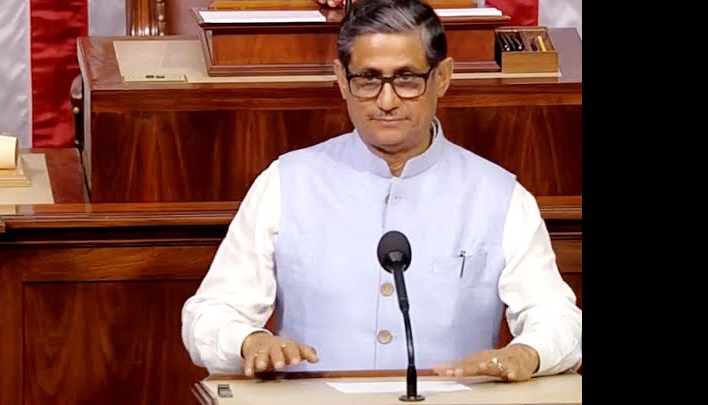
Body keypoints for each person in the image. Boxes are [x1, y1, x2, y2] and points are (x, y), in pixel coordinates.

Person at [181, 0, 581, 383]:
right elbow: (212, 312)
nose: (386, 101)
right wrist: (251, 341)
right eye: (369, 79)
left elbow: (560, 320)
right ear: (341, 79)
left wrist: (525, 353)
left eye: (407, 79)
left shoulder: (500, 195)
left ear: (442, 77)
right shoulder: (286, 182)